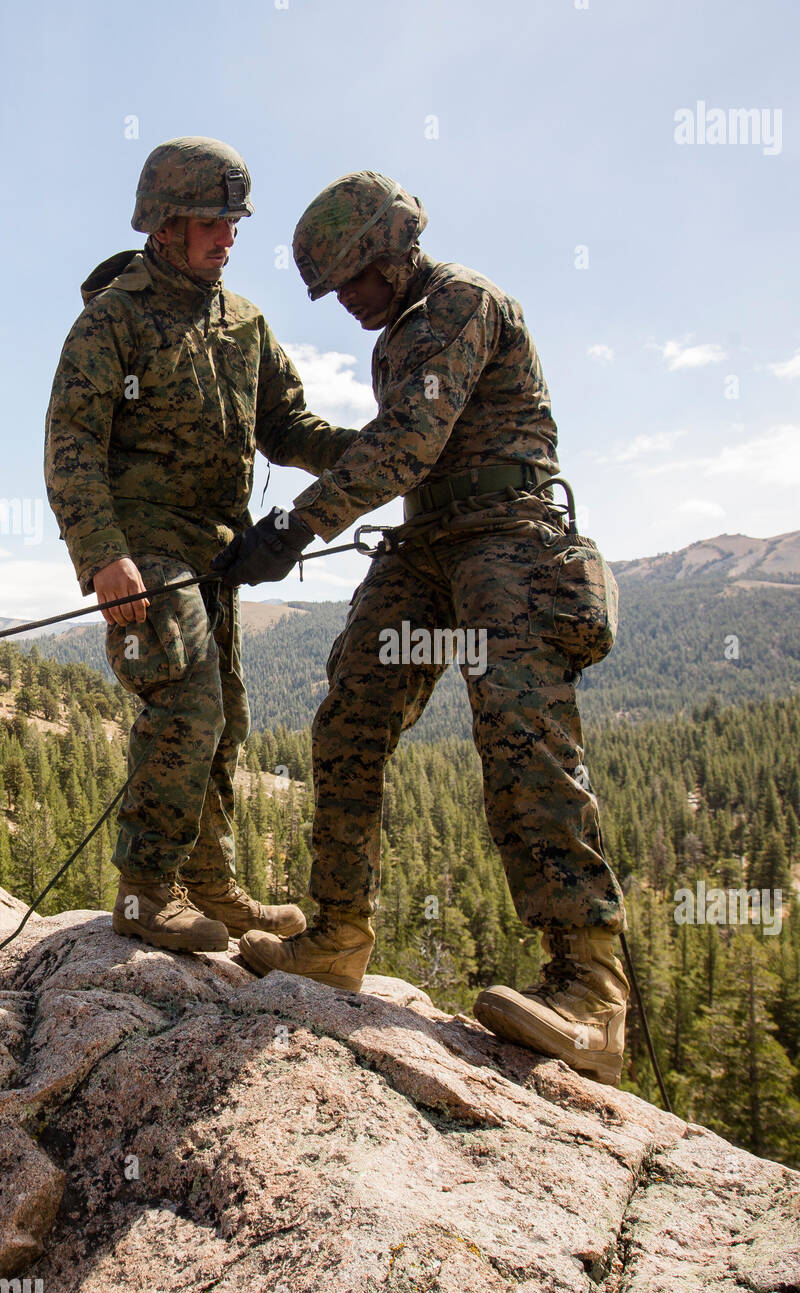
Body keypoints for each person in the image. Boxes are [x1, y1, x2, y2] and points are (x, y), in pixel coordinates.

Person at [216, 171, 629, 1085]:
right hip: (428, 541)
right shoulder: (400, 330)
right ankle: (336, 935)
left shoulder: (462, 304)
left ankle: (592, 990)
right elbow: (399, 457)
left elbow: (409, 442)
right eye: (336, 290)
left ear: (397, 250)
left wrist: (293, 526)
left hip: (506, 540)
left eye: (358, 279)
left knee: (523, 735)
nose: (350, 302)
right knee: (351, 717)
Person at [44, 137, 356, 954]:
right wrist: (102, 554)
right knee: (185, 702)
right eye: (212, 222)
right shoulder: (113, 318)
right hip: (143, 547)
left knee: (227, 723)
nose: (228, 237)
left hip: (217, 558)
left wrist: (380, 451)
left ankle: (209, 886)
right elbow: (72, 439)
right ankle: (147, 890)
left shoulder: (245, 324)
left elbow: (292, 428)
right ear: (165, 222)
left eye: (232, 224)